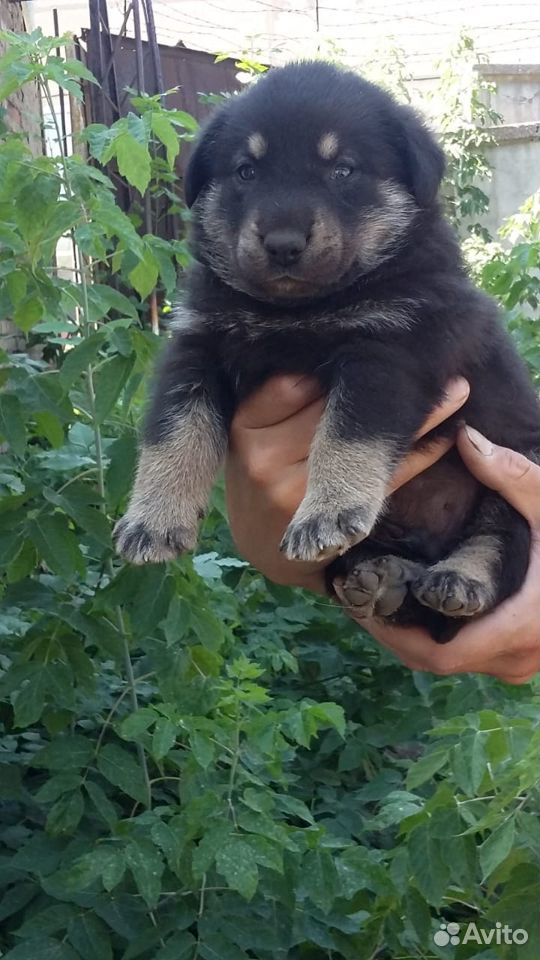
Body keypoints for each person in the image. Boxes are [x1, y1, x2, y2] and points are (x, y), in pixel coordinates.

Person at [226, 375, 540, 685]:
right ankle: (404, 583)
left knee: (500, 530)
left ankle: (463, 572)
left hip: (478, 491)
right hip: (383, 518)